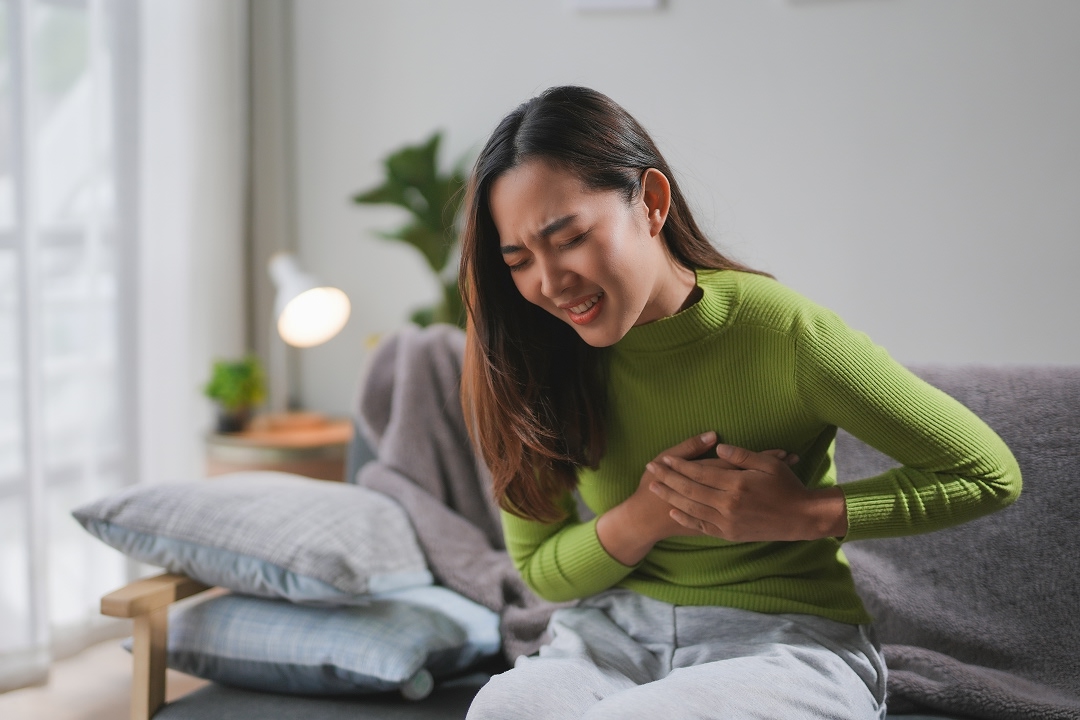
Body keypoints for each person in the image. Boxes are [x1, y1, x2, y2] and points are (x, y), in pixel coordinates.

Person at [457, 86, 1021, 720]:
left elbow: (987, 473)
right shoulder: (534, 359)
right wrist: (650, 514)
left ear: (652, 203)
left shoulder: (782, 334)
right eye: (520, 259)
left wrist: (802, 511)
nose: (550, 282)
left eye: (570, 237)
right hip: (610, 636)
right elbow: (540, 570)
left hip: (784, 641)